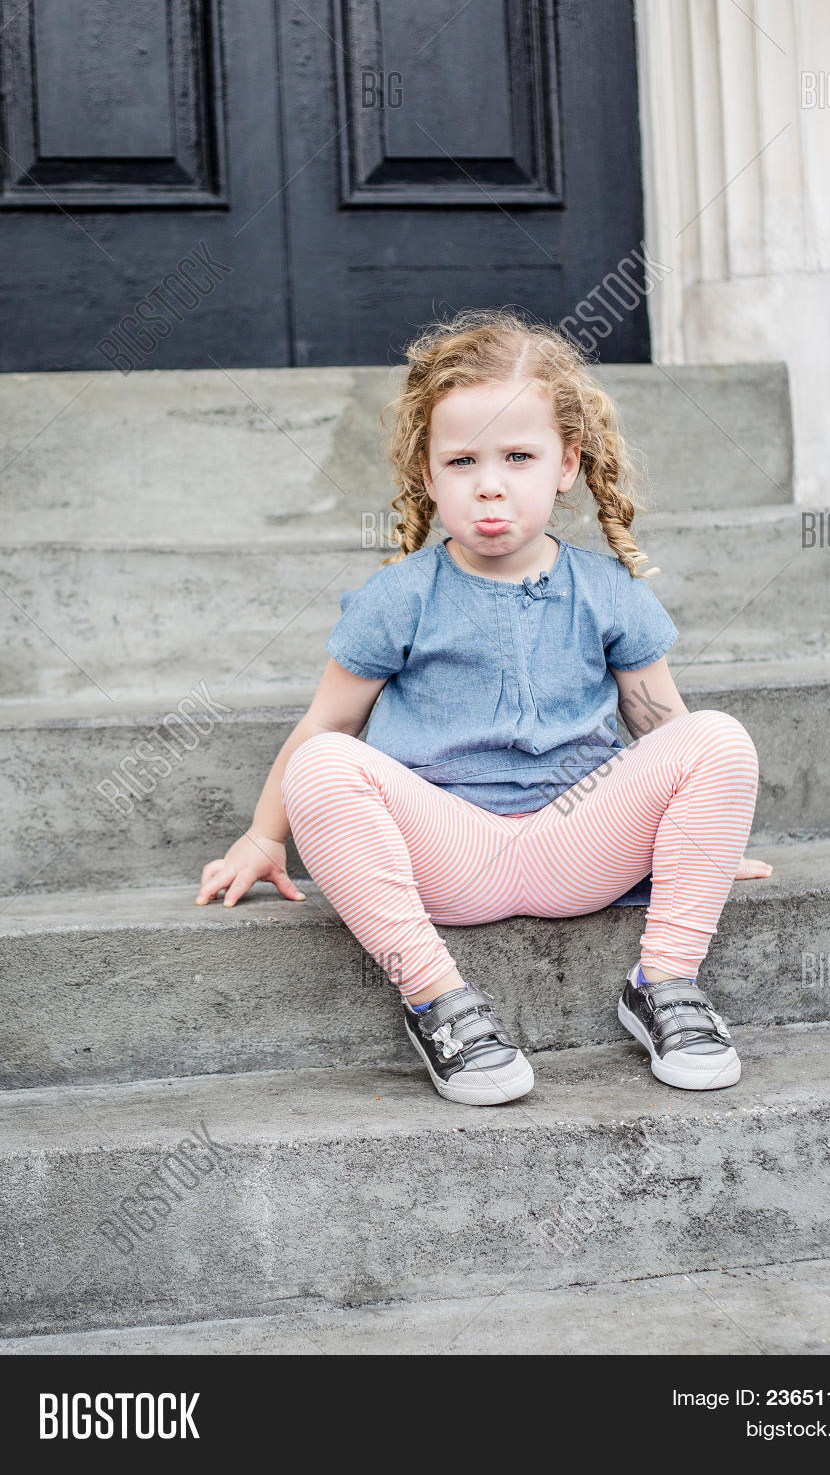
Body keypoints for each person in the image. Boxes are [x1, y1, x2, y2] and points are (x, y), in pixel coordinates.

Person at [196, 308, 771, 1107]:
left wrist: (695, 840)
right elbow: (324, 725)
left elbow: (662, 727)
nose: (489, 482)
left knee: (718, 738)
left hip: (579, 845)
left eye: (517, 456)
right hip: (448, 853)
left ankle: (664, 983)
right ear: (428, 477)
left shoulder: (608, 592)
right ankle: (439, 1002)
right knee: (325, 765)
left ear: (566, 464)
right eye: (462, 460)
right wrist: (263, 838)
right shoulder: (399, 598)